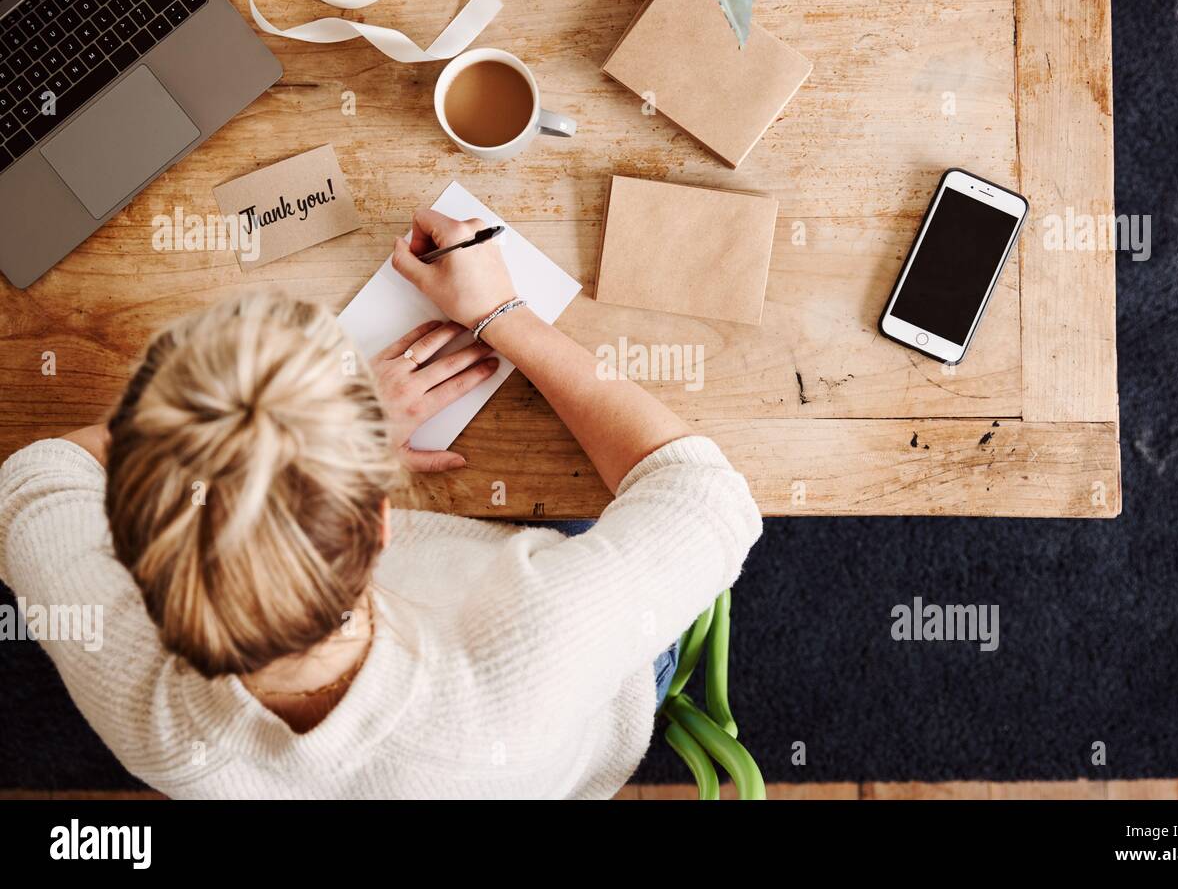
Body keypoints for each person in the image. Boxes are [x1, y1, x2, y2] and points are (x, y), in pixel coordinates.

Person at [0, 211, 761, 798]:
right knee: (594, 510)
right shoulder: (535, 643)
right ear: (379, 522)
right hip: (580, 703)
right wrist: (501, 313)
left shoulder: (132, 678)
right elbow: (708, 494)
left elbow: (33, 478)